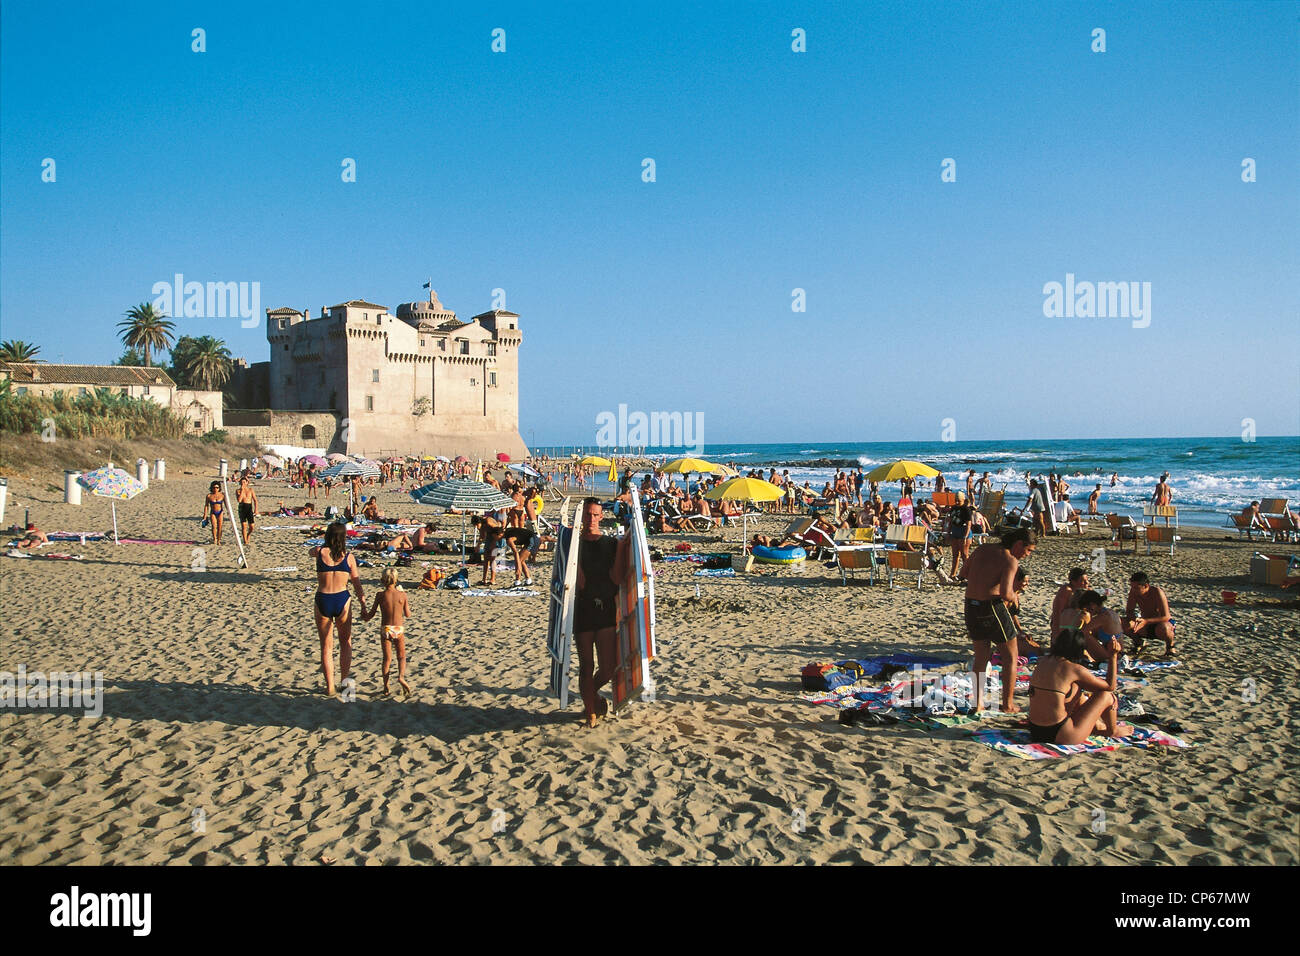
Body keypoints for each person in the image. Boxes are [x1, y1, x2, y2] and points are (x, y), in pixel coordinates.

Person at [963, 527, 1037, 713]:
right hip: (991, 607)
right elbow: (1005, 592)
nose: (1027, 555)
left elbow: (964, 572)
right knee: (1011, 656)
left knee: (981, 657)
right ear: (1019, 544)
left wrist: (983, 577)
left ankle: (978, 703)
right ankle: (1007, 704)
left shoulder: (981, 549)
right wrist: (1014, 596)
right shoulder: (1010, 560)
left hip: (971, 606)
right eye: (1028, 550)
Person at [574, 498, 631, 728]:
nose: (591, 519)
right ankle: (591, 712)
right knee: (586, 665)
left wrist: (619, 549)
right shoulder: (574, 544)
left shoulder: (610, 544)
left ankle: (592, 696)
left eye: (595, 514)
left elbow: (617, 579)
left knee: (607, 668)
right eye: (587, 514)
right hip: (583, 607)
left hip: (606, 607)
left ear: (601, 516)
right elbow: (578, 583)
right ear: (582, 516)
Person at [1025, 628, 1131, 744]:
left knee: (1076, 687)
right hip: (1063, 734)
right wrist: (1113, 656)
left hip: (1035, 731)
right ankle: (1112, 730)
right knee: (1106, 695)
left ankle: (1097, 726)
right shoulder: (1074, 669)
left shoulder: (1043, 662)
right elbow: (1110, 686)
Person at [309, 522, 366, 697]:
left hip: (323, 599)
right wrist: (363, 604)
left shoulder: (319, 552)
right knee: (345, 643)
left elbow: (310, 551)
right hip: (342, 599)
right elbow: (357, 584)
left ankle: (329, 687)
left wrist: (324, 545)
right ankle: (346, 686)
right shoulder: (348, 557)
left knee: (326, 647)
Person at [362, 567, 412, 698]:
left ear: (382, 581)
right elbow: (408, 614)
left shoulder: (380, 595)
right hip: (399, 629)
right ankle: (401, 677)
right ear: (396, 580)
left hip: (386, 629)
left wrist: (364, 615)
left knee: (387, 659)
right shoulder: (402, 595)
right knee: (401, 656)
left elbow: (371, 614)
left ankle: (386, 687)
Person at [1124, 571, 1175, 657]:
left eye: (1136, 588)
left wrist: (1146, 621)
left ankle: (1170, 646)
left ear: (1146, 586)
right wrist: (1134, 618)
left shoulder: (1157, 592)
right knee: (1123, 623)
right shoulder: (1133, 592)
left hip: (1159, 624)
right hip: (1144, 623)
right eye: (1132, 587)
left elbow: (1166, 617)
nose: (1133, 590)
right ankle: (1138, 642)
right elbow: (1129, 611)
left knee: (1165, 628)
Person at [1076, 590, 1125, 662]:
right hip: (1119, 654)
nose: (1087, 612)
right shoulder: (1111, 612)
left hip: (1113, 656)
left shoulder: (1102, 617)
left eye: (1087, 609)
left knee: (1084, 635)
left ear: (1092, 605)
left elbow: (1083, 631)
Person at [1050, 568, 1090, 637]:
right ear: (1073, 582)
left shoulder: (1082, 591)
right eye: (1083, 581)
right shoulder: (1066, 591)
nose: (1087, 583)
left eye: (1087, 580)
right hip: (1062, 625)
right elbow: (1057, 612)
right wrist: (1056, 634)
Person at [470, 514, 505, 586]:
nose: (476, 527)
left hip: (498, 537)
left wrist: (494, 543)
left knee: (492, 559)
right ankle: (484, 579)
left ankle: (493, 579)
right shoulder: (481, 527)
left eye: (476, 525)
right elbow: (482, 536)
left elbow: (498, 531)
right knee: (486, 558)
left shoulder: (488, 521)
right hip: (490, 537)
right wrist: (478, 545)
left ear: (479, 522)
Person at [947, 490, 975, 581]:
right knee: (955, 555)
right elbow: (951, 521)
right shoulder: (953, 508)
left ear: (963, 500)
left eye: (958, 500)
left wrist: (965, 536)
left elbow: (968, 524)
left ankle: (967, 574)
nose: (957, 502)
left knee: (964, 555)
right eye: (956, 500)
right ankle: (953, 574)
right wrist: (948, 532)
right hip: (955, 531)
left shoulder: (966, 509)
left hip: (963, 531)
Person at [236, 475, 258, 546]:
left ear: (247, 483)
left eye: (244, 482)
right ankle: (245, 541)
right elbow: (239, 500)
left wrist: (256, 510)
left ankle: (248, 535)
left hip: (249, 507)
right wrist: (242, 490)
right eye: (241, 482)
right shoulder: (238, 491)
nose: (243, 484)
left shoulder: (250, 490)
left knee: (252, 526)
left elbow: (255, 500)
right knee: (244, 525)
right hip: (242, 507)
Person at [203, 481, 226, 545]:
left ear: (219, 488)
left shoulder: (222, 495)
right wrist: (205, 515)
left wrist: (228, 513)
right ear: (212, 488)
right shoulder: (209, 496)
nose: (216, 489)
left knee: (220, 527)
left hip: (220, 512)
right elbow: (206, 505)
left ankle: (219, 540)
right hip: (213, 512)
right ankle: (215, 539)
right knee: (214, 526)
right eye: (214, 488)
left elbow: (226, 505)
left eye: (217, 487)